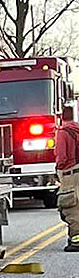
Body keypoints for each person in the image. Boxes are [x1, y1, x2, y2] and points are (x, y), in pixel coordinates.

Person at [55, 102, 79, 251]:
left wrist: (58, 170)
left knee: (71, 207)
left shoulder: (63, 132)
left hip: (70, 174)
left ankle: (76, 241)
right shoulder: (77, 130)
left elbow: (62, 158)